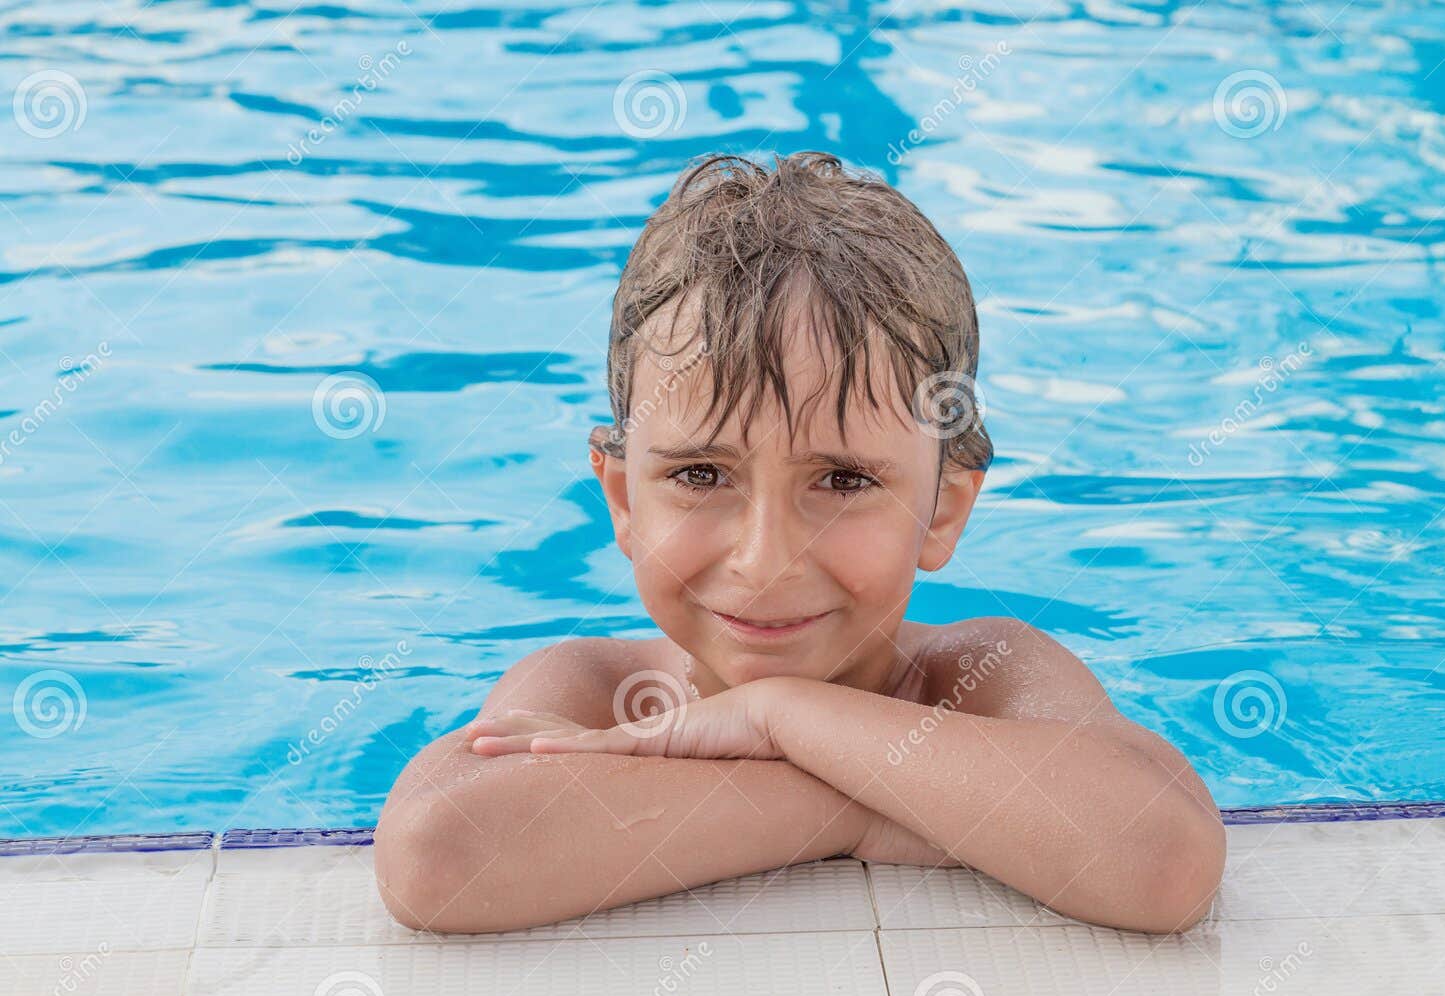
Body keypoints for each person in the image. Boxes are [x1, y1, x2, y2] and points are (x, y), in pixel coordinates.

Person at [375, 151, 1224, 936]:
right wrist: (855, 806)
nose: (765, 557)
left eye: (844, 481)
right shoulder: (600, 690)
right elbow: (435, 857)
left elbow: (1163, 859)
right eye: (702, 475)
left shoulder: (983, 674)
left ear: (941, 510)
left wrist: (778, 713)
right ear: (623, 497)